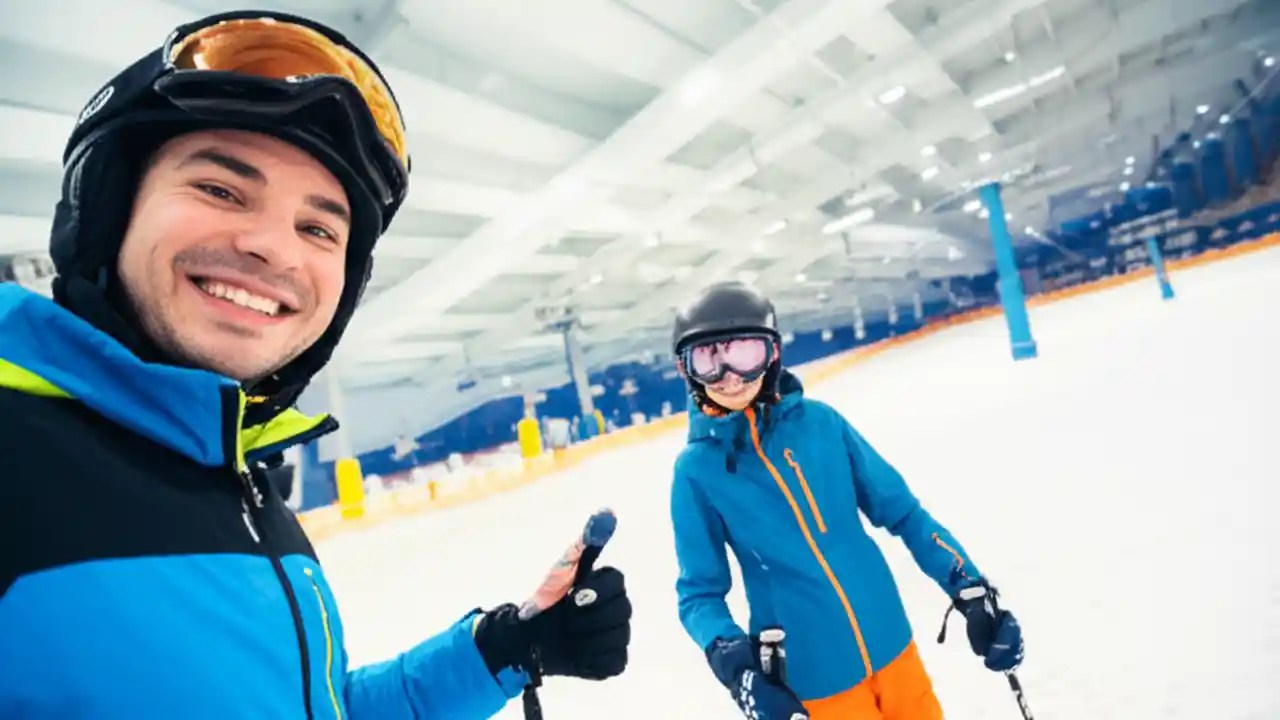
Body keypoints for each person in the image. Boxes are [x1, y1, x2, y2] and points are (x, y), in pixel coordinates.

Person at [0, 10, 631, 718]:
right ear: (107, 208)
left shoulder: (240, 488)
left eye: (317, 228)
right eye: (220, 189)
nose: (275, 248)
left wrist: (502, 652)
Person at [667, 282, 1024, 719]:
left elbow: (906, 516)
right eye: (707, 359)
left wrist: (970, 588)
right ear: (687, 371)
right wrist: (733, 661)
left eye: (744, 353)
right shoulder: (696, 472)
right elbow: (699, 594)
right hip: (811, 679)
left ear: (772, 354)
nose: (730, 377)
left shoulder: (822, 425)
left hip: (892, 646)